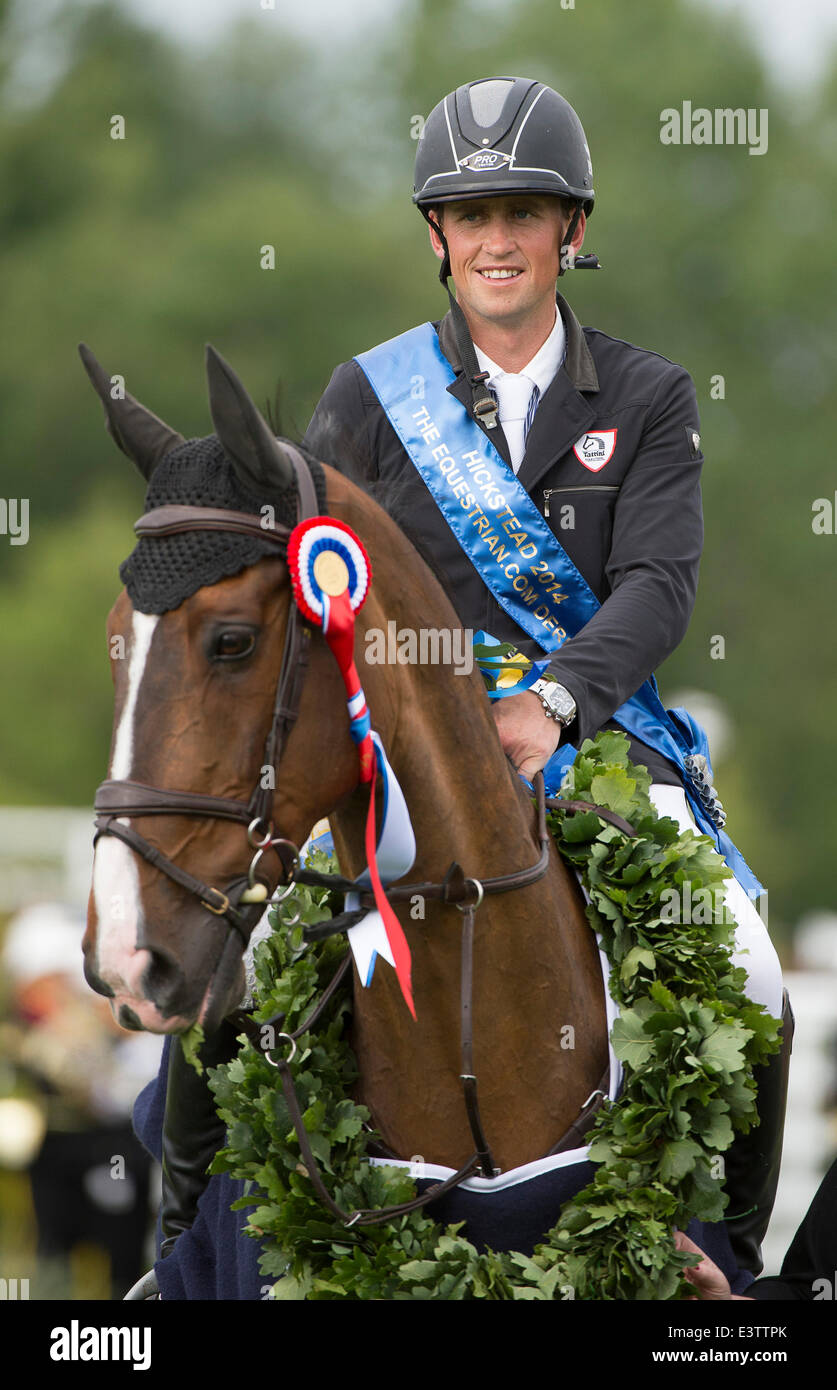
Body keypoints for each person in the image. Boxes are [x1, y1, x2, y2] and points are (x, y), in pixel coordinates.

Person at [302, 76, 790, 1278]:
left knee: (747, 962)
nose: (497, 242)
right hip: (402, 753)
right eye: (471, 217)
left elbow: (657, 590)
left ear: (570, 229)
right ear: (437, 236)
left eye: (523, 213)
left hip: (600, 736)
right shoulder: (370, 397)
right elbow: (313, 591)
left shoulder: (646, 395)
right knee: (249, 953)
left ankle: (725, 1258)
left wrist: (556, 701)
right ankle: (176, 1254)